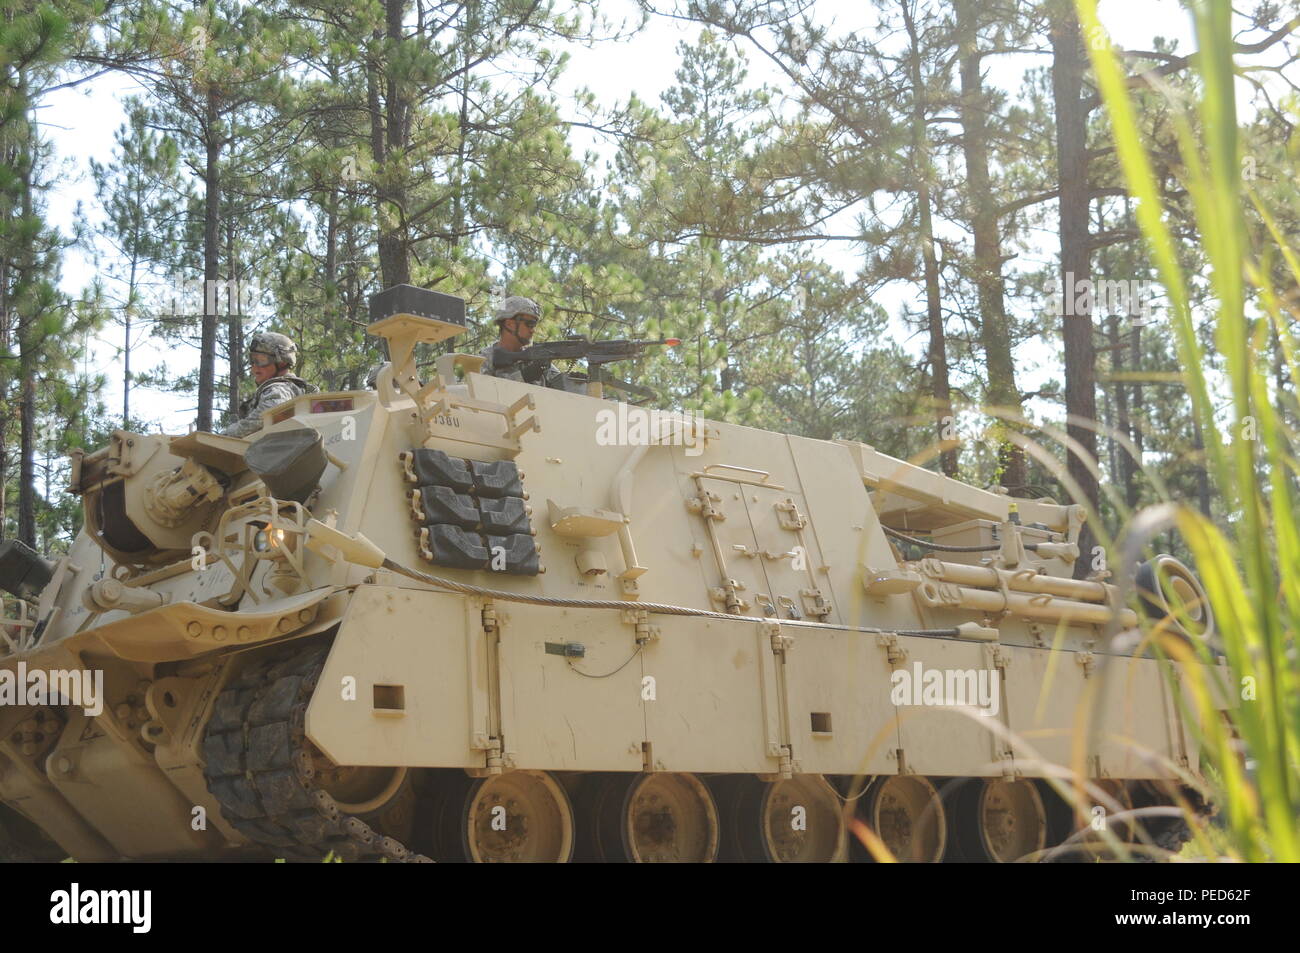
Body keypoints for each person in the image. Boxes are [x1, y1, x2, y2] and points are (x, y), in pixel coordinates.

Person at [220, 331, 316, 438]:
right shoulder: (294, 388)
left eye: (261, 360)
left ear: (282, 363)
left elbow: (272, 410)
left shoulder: (279, 388)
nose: (254, 369)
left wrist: (226, 435)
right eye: (252, 361)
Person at [478, 295, 570, 390]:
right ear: (510, 324)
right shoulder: (485, 358)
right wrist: (523, 376)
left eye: (534, 325)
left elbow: (564, 389)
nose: (533, 330)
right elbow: (481, 391)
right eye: (530, 324)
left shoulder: (535, 358)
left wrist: (575, 381)